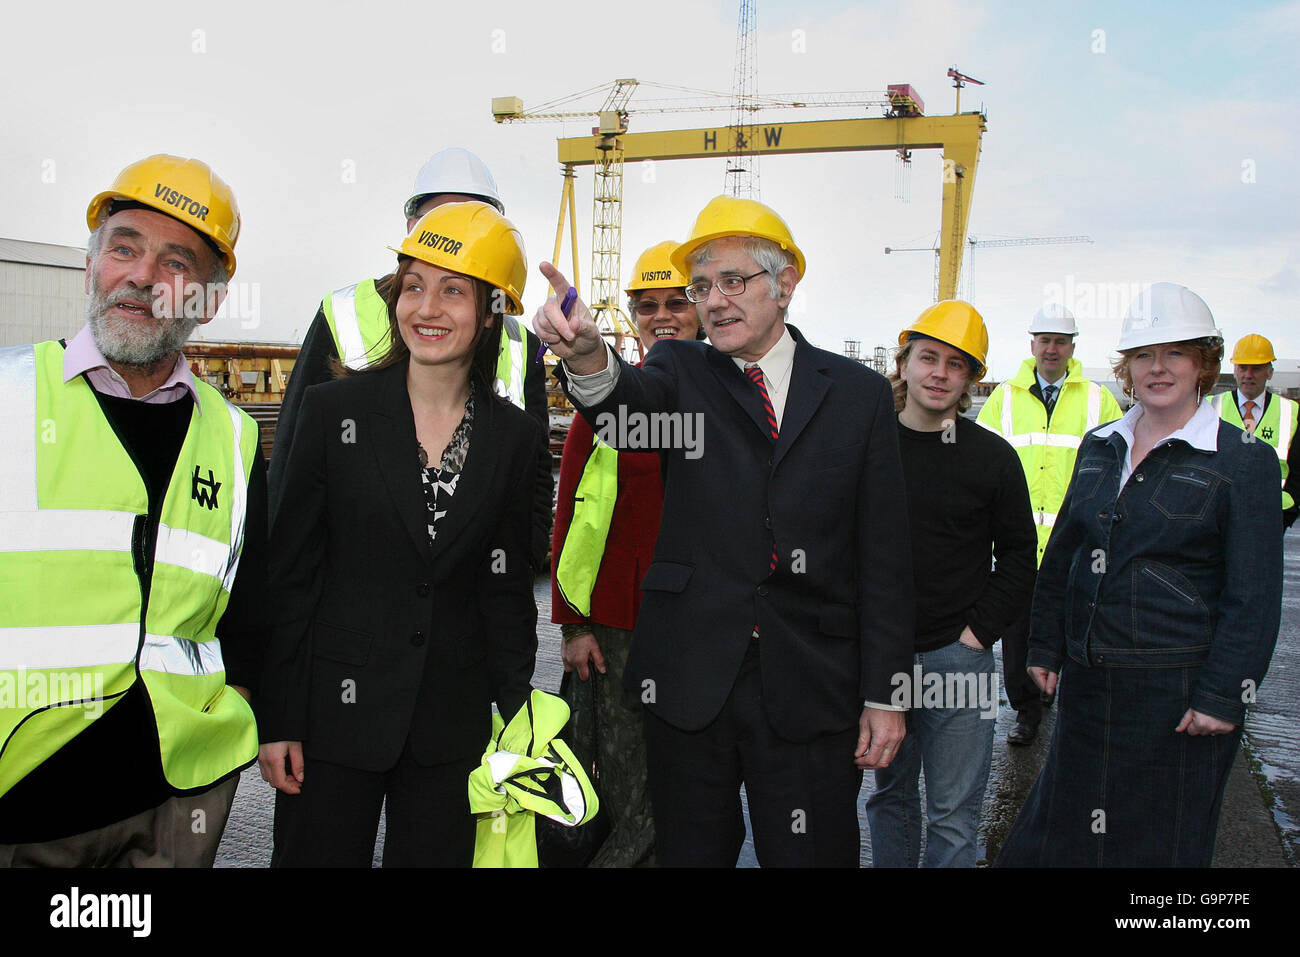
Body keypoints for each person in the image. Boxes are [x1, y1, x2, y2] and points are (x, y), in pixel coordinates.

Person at [535, 195, 914, 868]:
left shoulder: (856, 394)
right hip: (690, 680)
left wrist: (886, 692)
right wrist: (590, 358)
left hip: (811, 683)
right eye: (702, 286)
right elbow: (627, 419)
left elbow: (884, 553)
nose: (714, 301)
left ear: (785, 282)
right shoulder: (680, 371)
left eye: (732, 281)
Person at [257, 201, 542, 867]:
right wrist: (281, 719)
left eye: (453, 290)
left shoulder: (515, 436)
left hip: (453, 726)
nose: (427, 307)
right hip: (333, 720)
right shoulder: (336, 413)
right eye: (413, 286)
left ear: (490, 311)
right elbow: (291, 575)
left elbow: (505, 591)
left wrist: (519, 714)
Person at [0, 155, 265, 867]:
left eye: (175, 261)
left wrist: (231, 710)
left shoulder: (235, 438)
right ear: (92, 266)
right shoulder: (7, 401)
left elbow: (252, 608)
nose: (142, 276)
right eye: (123, 248)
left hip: (179, 801)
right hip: (23, 800)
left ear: (208, 301)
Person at [997, 283, 1283, 867]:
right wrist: (1046, 644)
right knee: (1056, 844)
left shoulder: (1241, 461)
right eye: (1144, 355)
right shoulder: (1101, 445)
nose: (1158, 368)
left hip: (1176, 698)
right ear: (1125, 367)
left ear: (1204, 363)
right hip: (1089, 685)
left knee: (1160, 848)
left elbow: (1253, 596)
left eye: (1175, 353)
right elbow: (1065, 559)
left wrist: (1223, 696)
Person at [270, 147, 553, 572]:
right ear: (411, 227)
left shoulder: (521, 342)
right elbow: (294, 468)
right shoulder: (344, 310)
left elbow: (529, 494)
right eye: (440, 218)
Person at [865, 302, 1036, 867]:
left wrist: (978, 633)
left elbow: (1018, 554)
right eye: (928, 357)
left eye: (956, 364)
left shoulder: (992, 458)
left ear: (971, 378)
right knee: (889, 798)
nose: (940, 373)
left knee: (955, 814)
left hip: (955, 657)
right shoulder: (867, 449)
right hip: (877, 658)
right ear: (905, 363)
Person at [550, 241, 702, 867]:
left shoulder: (739, 402)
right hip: (618, 627)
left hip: (702, 629)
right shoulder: (609, 402)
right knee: (623, 781)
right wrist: (574, 624)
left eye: (676, 302)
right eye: (647, 306)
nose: (662, 316)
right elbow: (570, 518)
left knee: (693, 785)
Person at [977, 304, 1122, 745]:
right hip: (1018, 541)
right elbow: (981, 466)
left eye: (1060, 341)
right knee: (1017, 631)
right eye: (1045, 340)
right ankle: (1027, 711)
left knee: (1074, 623)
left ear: (1072, 346)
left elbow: (1120, 466)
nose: (1052, 349)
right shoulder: (1004, 397)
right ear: (1032, 345)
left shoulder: (1098, 399)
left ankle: (1060, 697)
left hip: (1076, 541)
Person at [1210, 333, 1299, 531]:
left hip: (1271, 518)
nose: (1248, 375)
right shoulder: (1210, 407)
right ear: (1234, 370)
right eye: (1242, 367)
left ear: (1270, 372)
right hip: (1218, 519)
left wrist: (1286, 513)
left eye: (1256, 368)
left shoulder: (1291, 412)